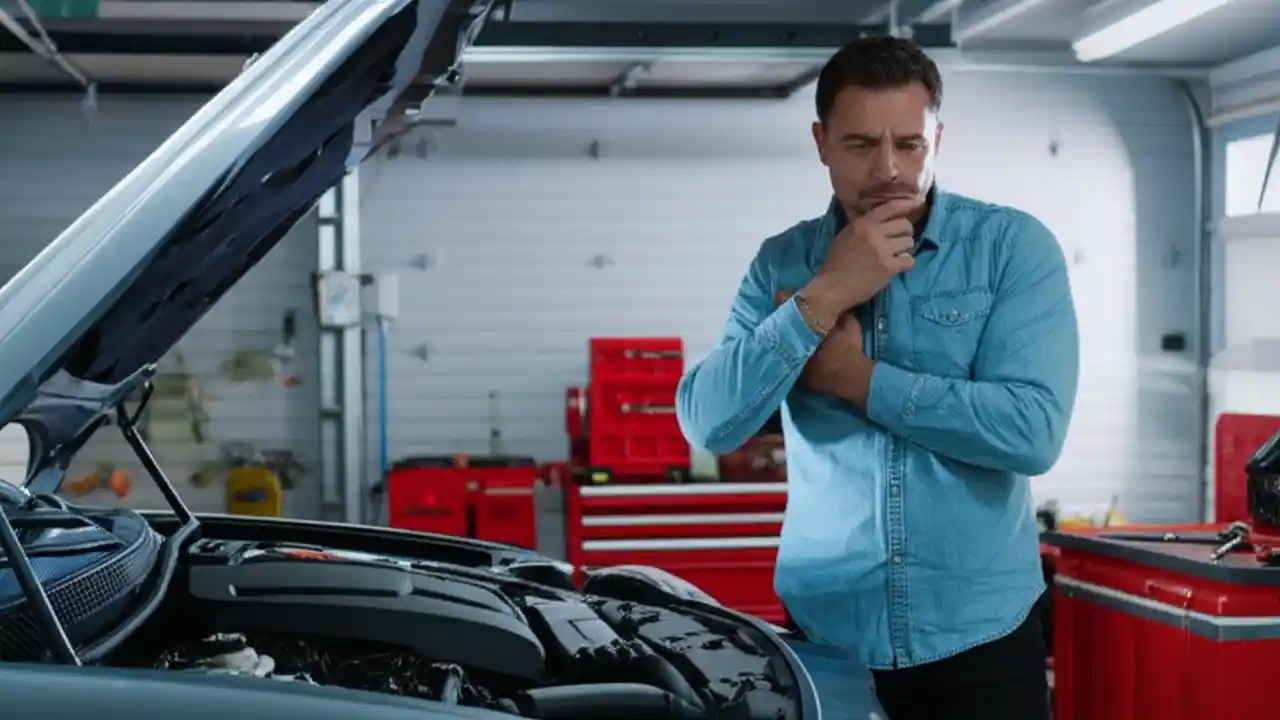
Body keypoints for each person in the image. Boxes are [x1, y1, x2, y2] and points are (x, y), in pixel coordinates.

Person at [674, 35, 1078, 720]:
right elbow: (708, 422)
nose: (889, 169)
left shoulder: (1013, 249)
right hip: (829, 638)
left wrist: (856, 379)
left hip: (981, 635)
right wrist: (825, 293)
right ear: (821, 141)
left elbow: (1033, 431)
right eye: (861, 145)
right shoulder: (783, 263)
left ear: (937, 138)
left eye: (910, 144)